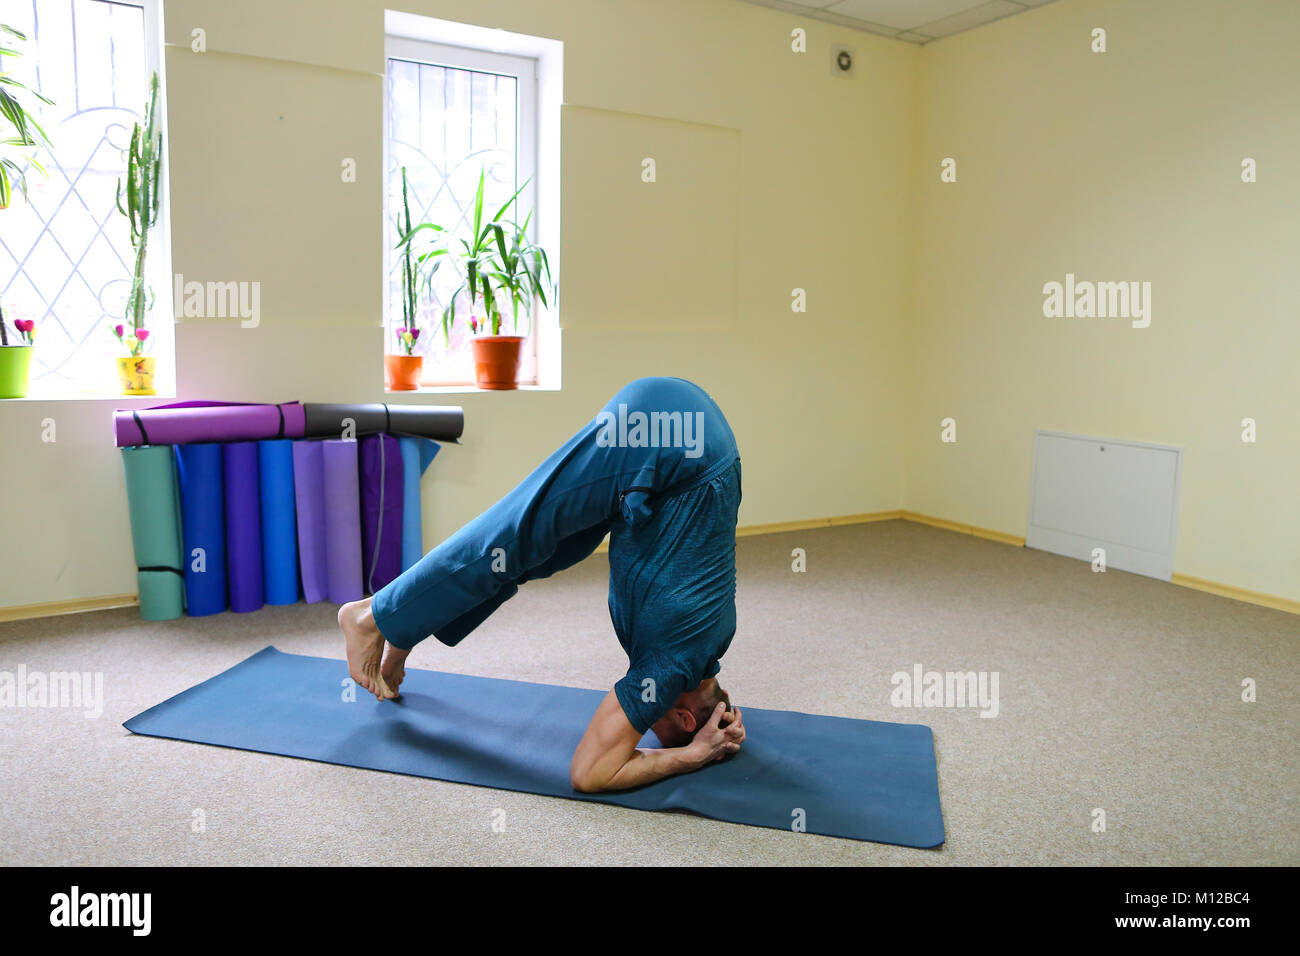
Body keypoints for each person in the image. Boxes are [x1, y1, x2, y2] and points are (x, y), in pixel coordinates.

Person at [338, 376, 746, 792]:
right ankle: (371, 616)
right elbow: (591, 773)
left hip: (692, 444)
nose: (643, 730)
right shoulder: (668, 669)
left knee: (535, 556)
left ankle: (403, 628)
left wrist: (722, 718)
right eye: (654, 730)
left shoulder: (714, 642)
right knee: (513, 536)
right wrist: (690, 756)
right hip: (670, 435)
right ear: (684, 718)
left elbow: (703, 691)